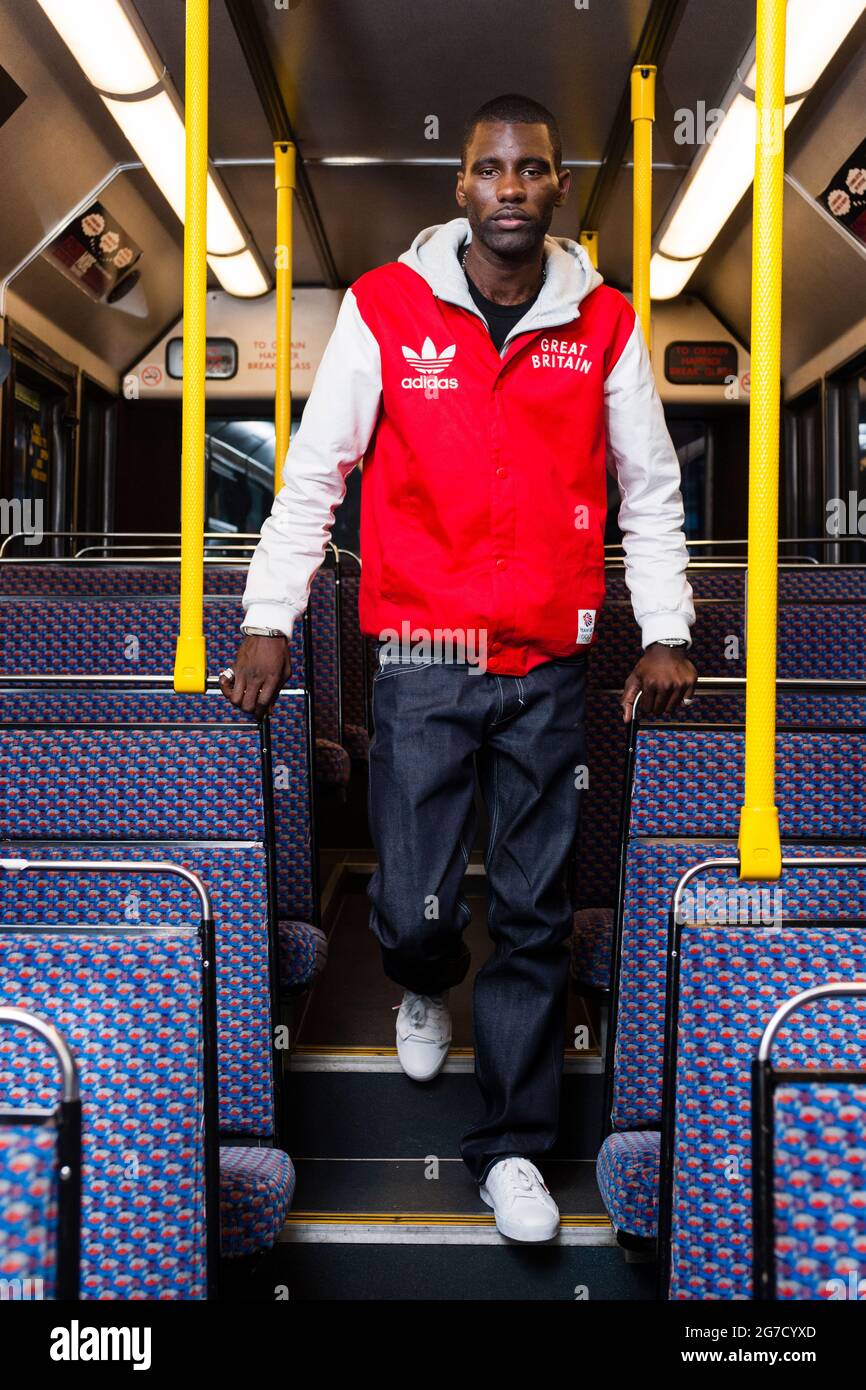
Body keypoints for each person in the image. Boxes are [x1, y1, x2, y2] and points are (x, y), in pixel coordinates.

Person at [221, 93, 697, 1243]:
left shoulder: (607, 326)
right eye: (491, 169)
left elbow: (649, 492)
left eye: (532, 170)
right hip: (422, 651)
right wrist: (268, 613)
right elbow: (315, 470)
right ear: (461, 188)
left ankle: (512, 1153)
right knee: (411, 901)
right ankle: (424, 975)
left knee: (531, 915)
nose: (511, 189)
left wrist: (667, 626)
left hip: (545, 657)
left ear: (557, 189)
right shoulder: (386, 309)